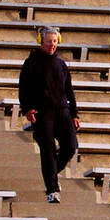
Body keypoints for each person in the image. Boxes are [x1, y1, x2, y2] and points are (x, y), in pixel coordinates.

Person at [18, 25, 80, 203]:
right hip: (42, 112)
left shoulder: (61, 64)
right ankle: (52, 190)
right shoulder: (31, 63)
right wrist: (27, 108)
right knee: (48, 150)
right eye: (48, 42)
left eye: (54, 41)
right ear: (41, 42)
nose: (52, 45)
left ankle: (52, 174)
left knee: (70, 147)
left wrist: (75, 114)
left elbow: (69, 90)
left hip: (62, 111)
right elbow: (24, 89)